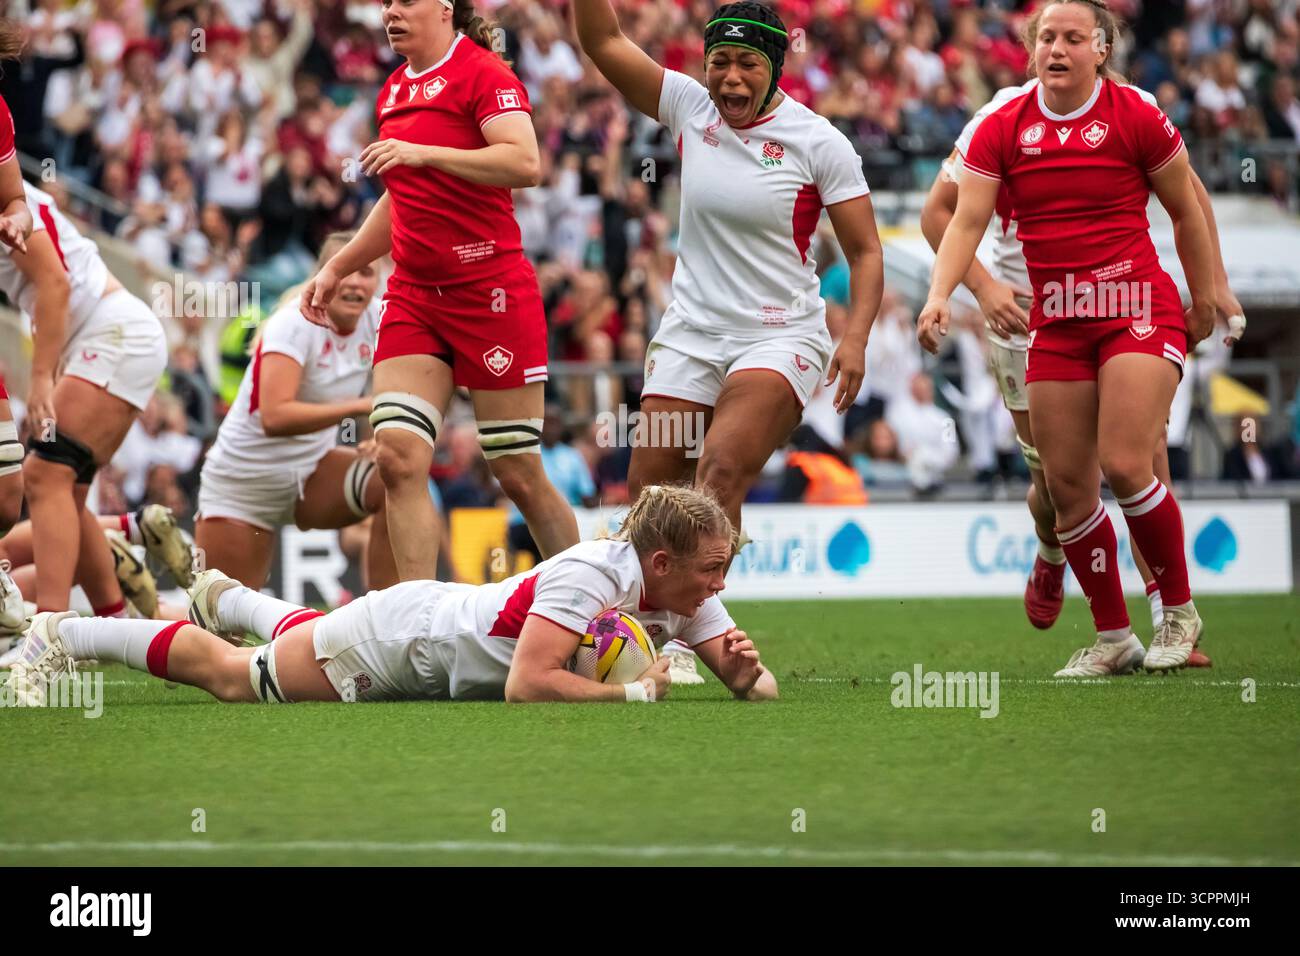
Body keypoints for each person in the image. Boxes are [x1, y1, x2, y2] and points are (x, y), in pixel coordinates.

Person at [573, 0, 884, 680]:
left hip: (779, 337)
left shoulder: (819, 141)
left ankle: (693, 635)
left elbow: (864, 253)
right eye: (720, 61)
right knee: (649, 494)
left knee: (716, 472)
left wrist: (854, 337)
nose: (731, 77)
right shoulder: (690, 108)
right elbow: (601, 39)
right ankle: (642, 632)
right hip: (691, 333)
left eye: (748, 62)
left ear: (775, 65)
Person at [918, 0, 1217, 676]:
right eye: (1045, 37)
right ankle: (1107, 626)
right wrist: (961, 293)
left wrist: (1211, 291)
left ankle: (1175, 613)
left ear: (1101, 48)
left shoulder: (1135, 111)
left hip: (1131, 304)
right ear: (1029, 48)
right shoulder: (997, 122)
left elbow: (1188, 202)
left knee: (1132, 460)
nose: (1057, 49)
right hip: (1037, 317)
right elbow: (955, 219)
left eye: (1072, 38)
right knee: (1060, 491)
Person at [7, 485, 778, 705]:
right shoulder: (593, 573)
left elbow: (758, 685)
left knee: (301, 635)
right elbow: (527, 685)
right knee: (240, 679)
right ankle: (61, 633)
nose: (721, 588)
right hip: (404, 643)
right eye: (712, 571)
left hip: (426, 624)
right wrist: (632, 697)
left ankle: (220, 593)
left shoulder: (683, 593)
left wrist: (744, 674)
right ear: (662, 559)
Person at [302, 0, 579, 584]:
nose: (391, 12)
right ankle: (416, 623)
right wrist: (339, 265)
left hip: (491, 294)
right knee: (399, 460)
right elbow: (403, 196)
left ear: (445, 9)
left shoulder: (484, 72)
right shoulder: (394, 88)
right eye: (385, 4)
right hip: (415, 296)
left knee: (517, 470)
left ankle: (599, 610)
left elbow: (525, 161)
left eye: (405, 1)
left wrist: (423, 152)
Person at [0, 181, 168, 618]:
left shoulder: (7, 201)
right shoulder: (14, 195)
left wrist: (40, 381)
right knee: (67, 492)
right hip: (106, 335)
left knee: (43, 476)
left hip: (111, 335)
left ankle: (51, 628)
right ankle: (115, 618)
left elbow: (55, 284)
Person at [196, 233, 396, 592]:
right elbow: (275, 417)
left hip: (310, 475)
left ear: (378, 278)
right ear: (324, 275)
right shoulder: (294, 322)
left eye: (365, 272)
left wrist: (381, 438)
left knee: (397, 474)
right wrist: (363, 407)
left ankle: (385, 621)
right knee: (219, 632)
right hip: (243, 486)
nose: (353, 282)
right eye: (344, 271)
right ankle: (135, 616)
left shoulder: (381, 319)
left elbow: (410, 387)